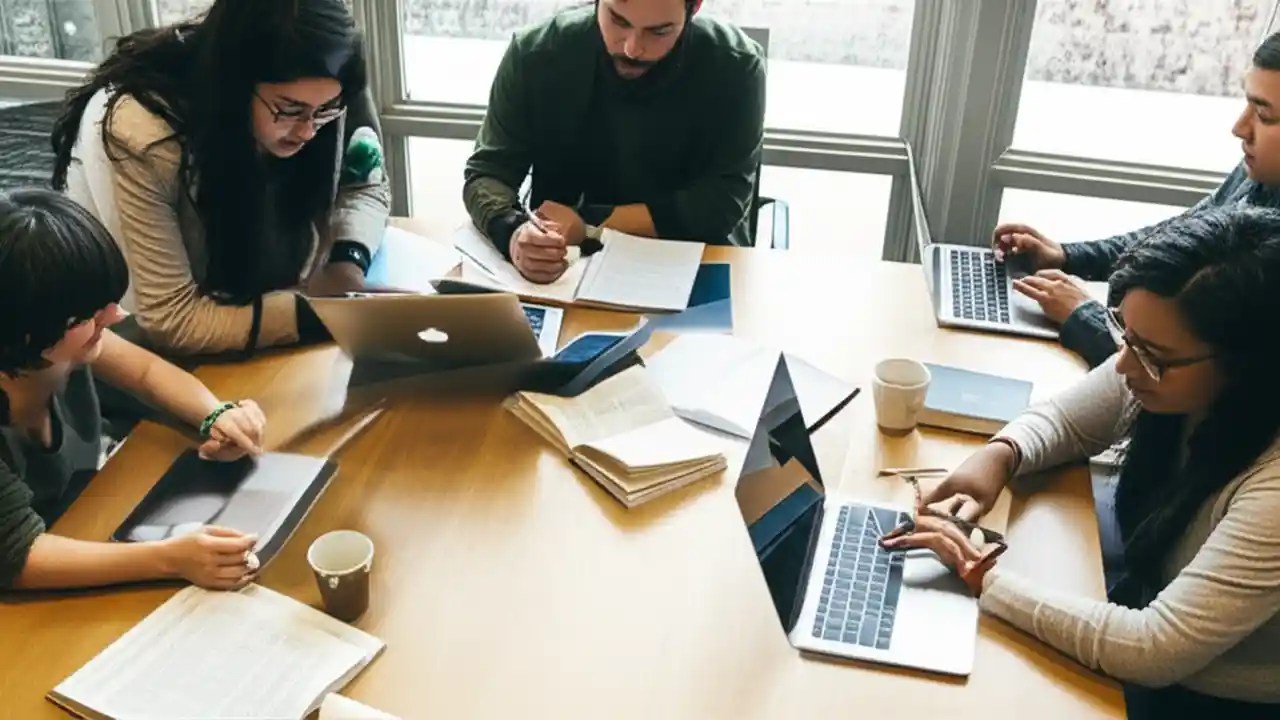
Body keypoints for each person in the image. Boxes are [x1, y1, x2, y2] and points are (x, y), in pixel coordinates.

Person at [884, 207, 1280, 715]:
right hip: (1144, 606)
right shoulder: (1168, 368)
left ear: (1249, 365)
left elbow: (1153, 649)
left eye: (1151, 355)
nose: (1124, 364)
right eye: (1125, 334)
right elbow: (1068, 421)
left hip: (1209, 695)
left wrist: (983, 576)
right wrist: (1000, 454)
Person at [49, 0, 390, 357]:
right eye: (289, 110)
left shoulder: (330, 80)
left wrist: (348, 260)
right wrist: (326, 313)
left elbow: (365, 183)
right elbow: (172, 319)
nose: (307, 130)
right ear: (237, 80)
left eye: (324, 111)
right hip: (146, 351)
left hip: (278, 310)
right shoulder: (142, 131)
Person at [0, 189, 268, 592]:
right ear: (24, 329)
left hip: (86, 521)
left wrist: (215, 416)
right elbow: (19, 557)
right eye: (88, 314)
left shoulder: (63, 348)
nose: (116, 315)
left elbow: (145, 373)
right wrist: (171, 558)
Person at [991, 31, 1280, 369]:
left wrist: (1086, 317)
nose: (1239, 128)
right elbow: (1172, 243)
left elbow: (1187, 382)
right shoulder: (1259, 176)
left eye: (1264, 115)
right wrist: (1066, 257)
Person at [463, 0, 766, 283]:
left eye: (659, 31)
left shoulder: (735, 66)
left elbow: (722, 204)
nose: (633, 48)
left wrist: (588, 226)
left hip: (693, 267)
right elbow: (487, 174)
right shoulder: (537, 54)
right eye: (618, 21)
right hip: (563, 273)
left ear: (694, 8)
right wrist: (515, 233)